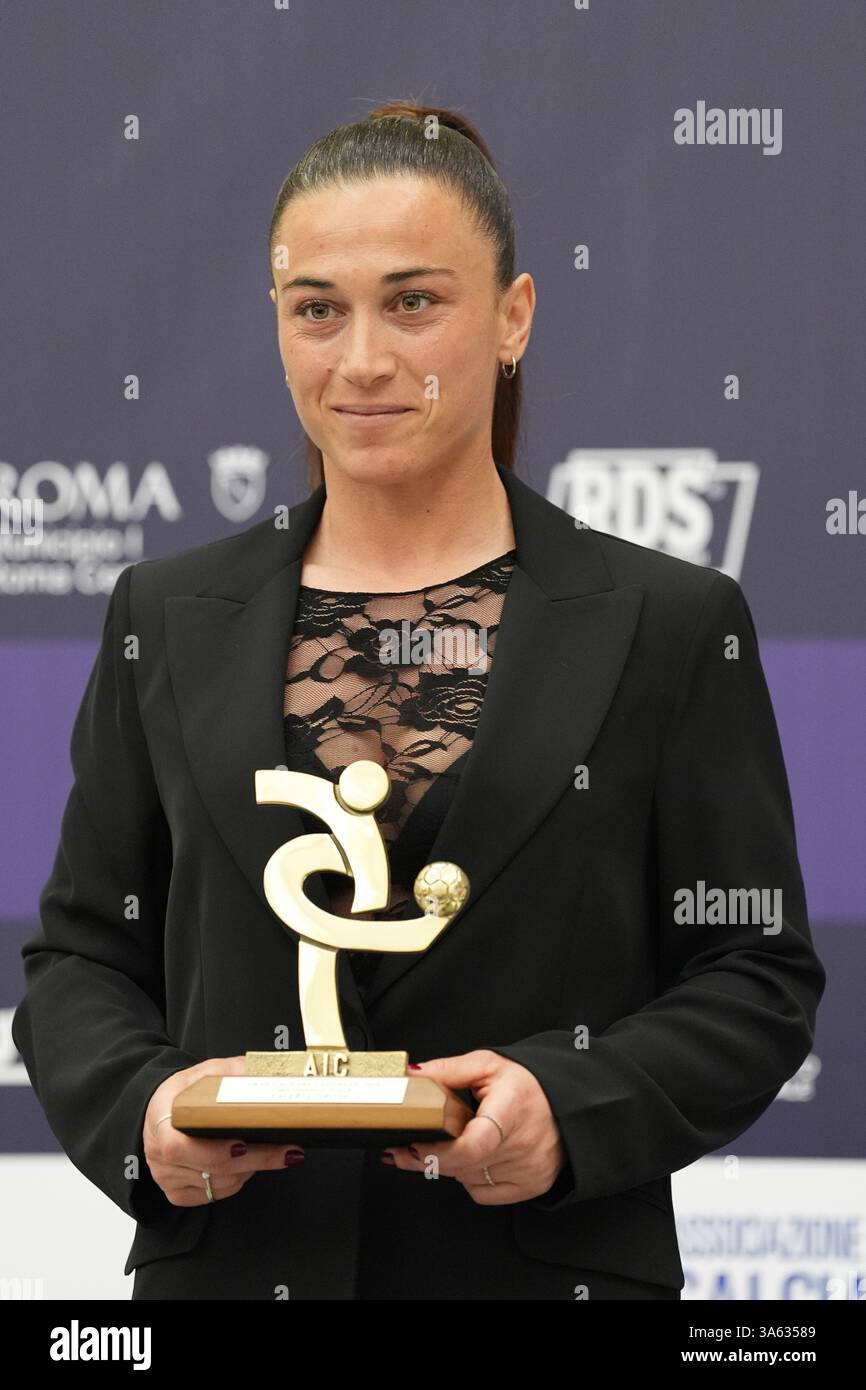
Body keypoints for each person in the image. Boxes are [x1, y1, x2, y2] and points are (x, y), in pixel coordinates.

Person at [12, 101, 825, 1301]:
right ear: (278, 329)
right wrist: (150, 1112)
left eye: (413, 300)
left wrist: (568, 1104)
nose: (362, 360)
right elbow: (81, 956)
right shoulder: (163, 613)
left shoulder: (667, 621)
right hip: (236, 1275)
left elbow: (752, 974)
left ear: (512, 318)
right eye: (316, 309)